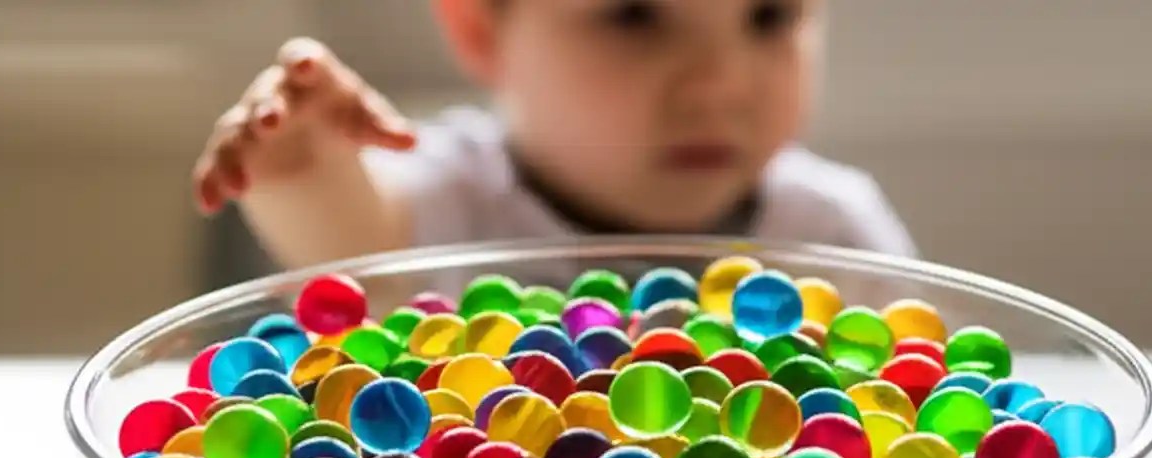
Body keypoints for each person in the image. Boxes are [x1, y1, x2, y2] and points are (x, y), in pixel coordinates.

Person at [192, 0, 917, 270]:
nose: (721, 85)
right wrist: (299, 160)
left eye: (769, 18)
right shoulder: (450, 202)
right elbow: (348, 244)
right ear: (481, 29)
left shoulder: (832, 234)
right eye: (636, 18)